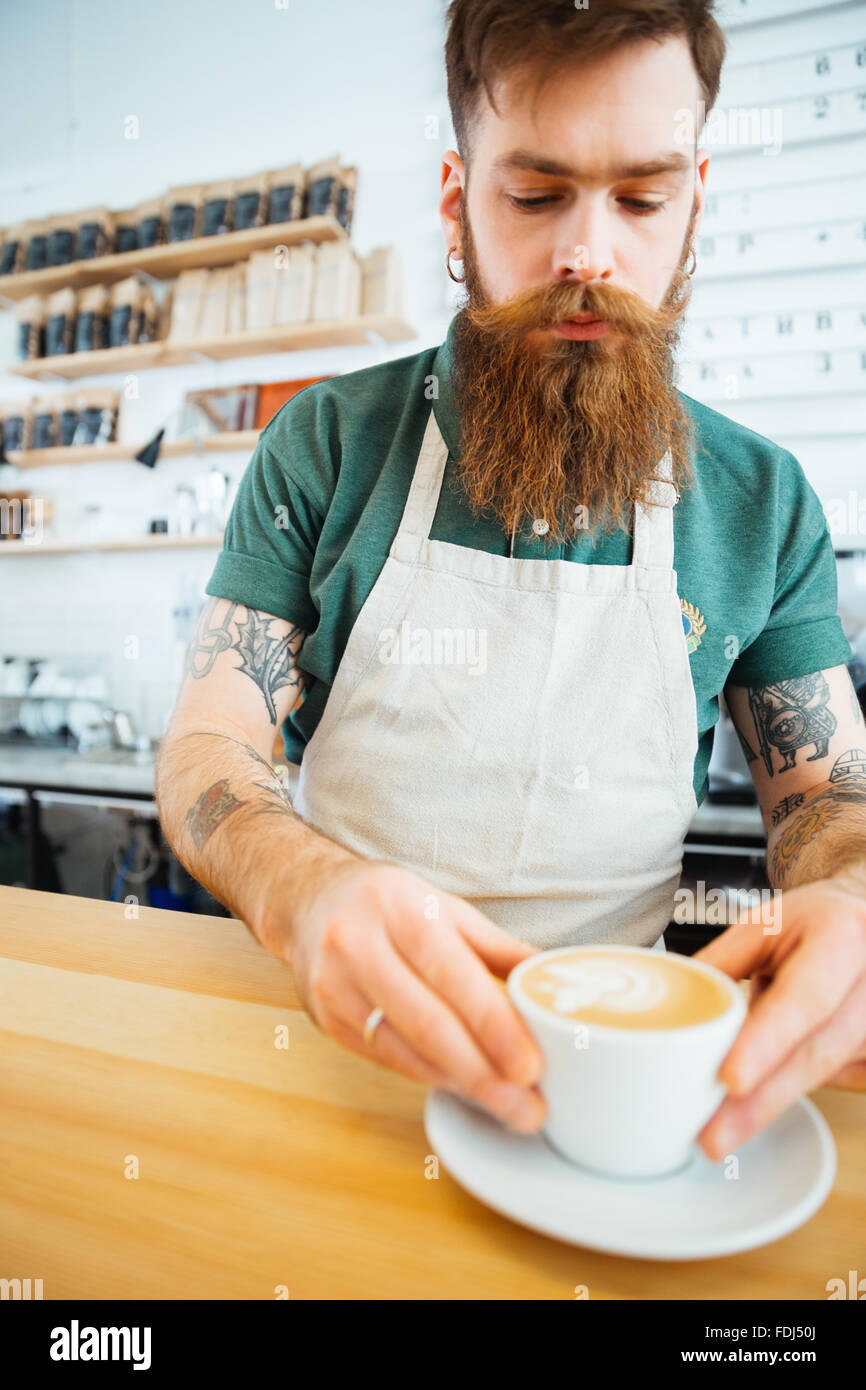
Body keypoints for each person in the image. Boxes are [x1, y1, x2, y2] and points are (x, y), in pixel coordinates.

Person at [156, 0, 866, 1156]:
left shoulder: (760, 501)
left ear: (692, 208)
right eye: (534, 195)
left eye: (640, 198)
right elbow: (207, 745)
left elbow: (831, 799)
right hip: (332, 1054)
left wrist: (847, 898)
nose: (586, 254)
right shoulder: (328, 444)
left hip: (604, 1094)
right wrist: (298, 889)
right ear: (457, 199)